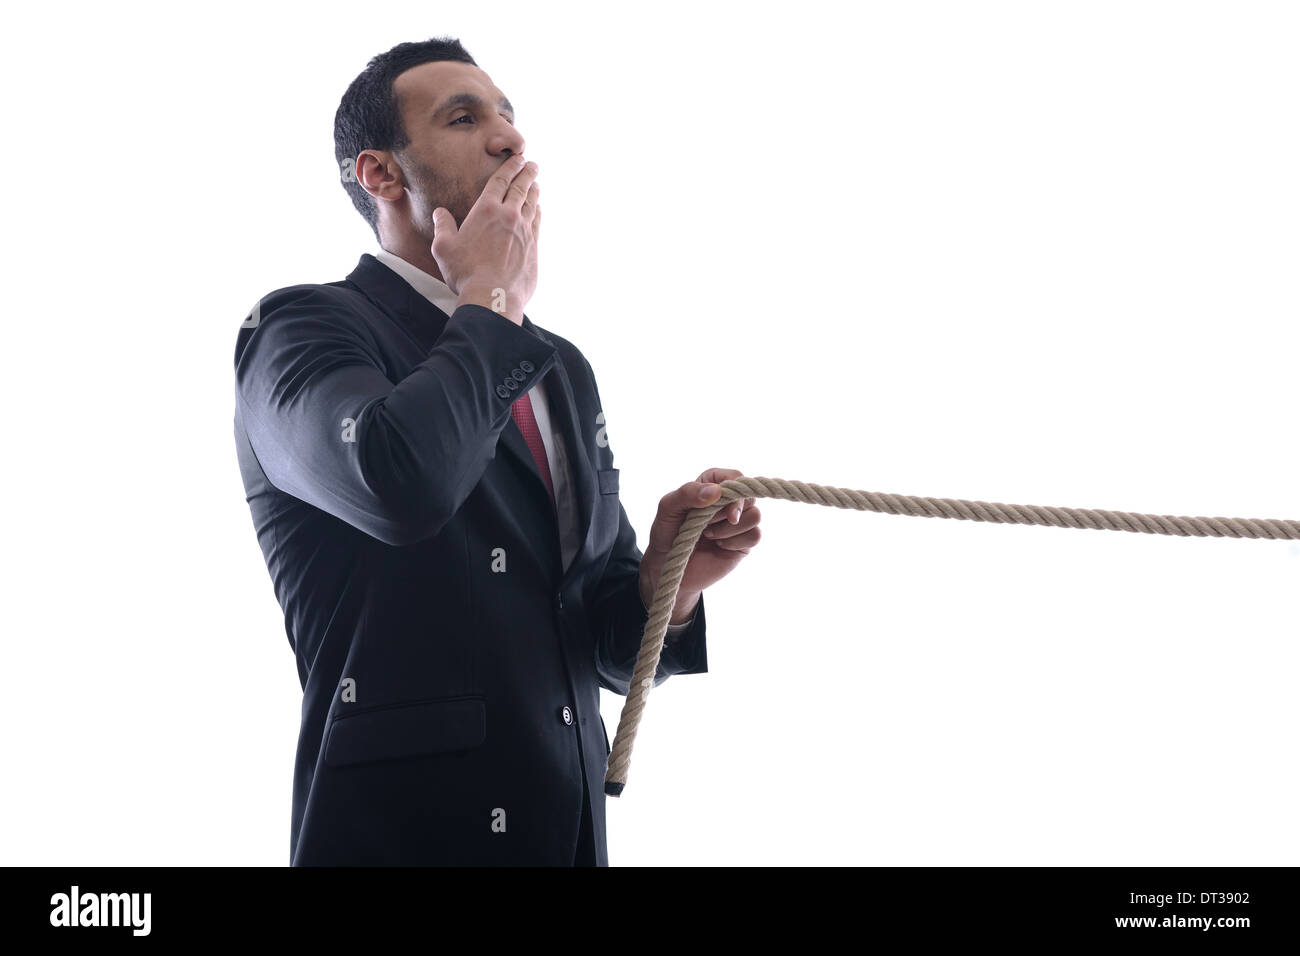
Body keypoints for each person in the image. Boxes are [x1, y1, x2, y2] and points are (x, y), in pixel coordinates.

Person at [232, 36, 762, 865]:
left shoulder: (559, 367)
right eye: (463, 117)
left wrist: (670, 578)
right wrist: (490, 297)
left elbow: (606, 650)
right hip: (397, 840)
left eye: (509, 115)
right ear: (379, 174)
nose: (510, 138)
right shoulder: (298, 330)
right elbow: (400, 482)